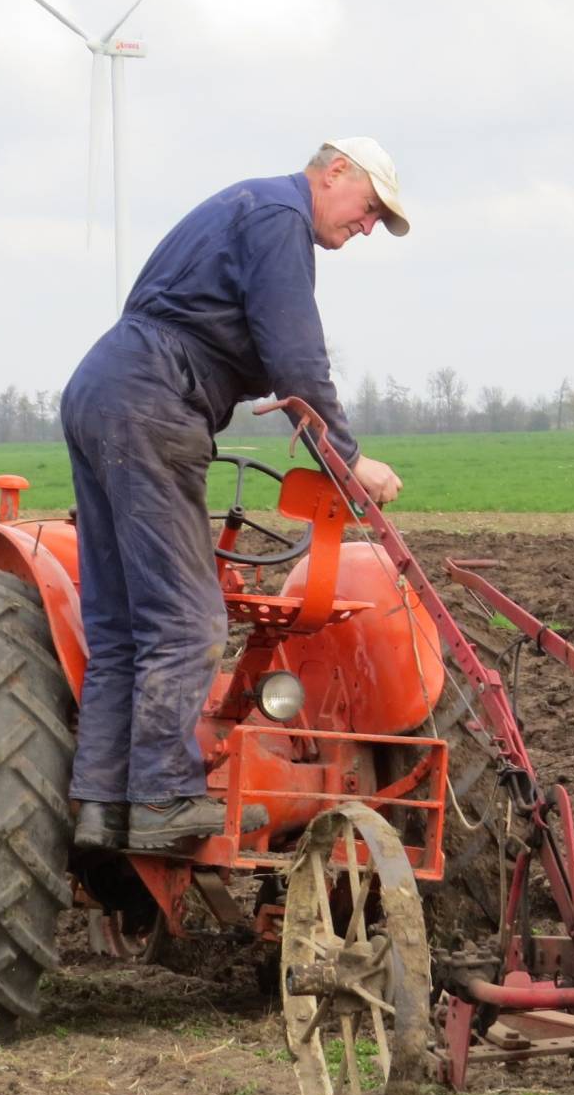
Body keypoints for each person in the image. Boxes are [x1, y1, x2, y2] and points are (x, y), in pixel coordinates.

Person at [61, 138, 409, 854]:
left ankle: (101, 805)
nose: (367, 225)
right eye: (369, 207)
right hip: (153, 400)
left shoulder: (247, 206)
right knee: (189, 620)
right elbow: (298, 360)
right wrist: (347, 461)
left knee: (124, 622)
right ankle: (161, 798)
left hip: (103, 387)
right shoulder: (280, 217)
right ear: (334, 170)